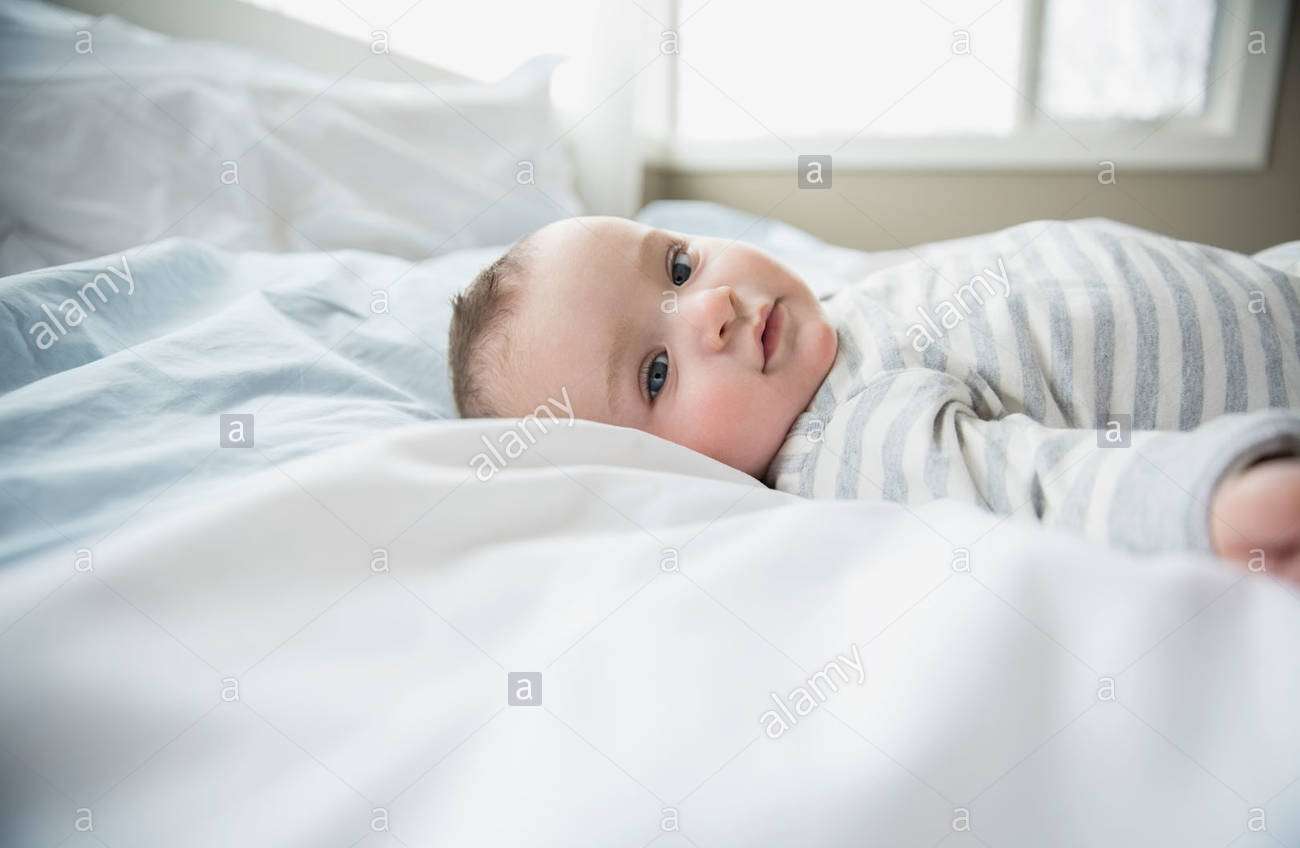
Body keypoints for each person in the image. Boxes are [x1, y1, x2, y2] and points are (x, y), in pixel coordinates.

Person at [448, 215, 1300, 586]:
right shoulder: (847, 444)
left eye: (677, 266)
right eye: (656, 375)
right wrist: (1206, 498)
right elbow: (1039, 489)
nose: (709, 308)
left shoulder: (835, 319)